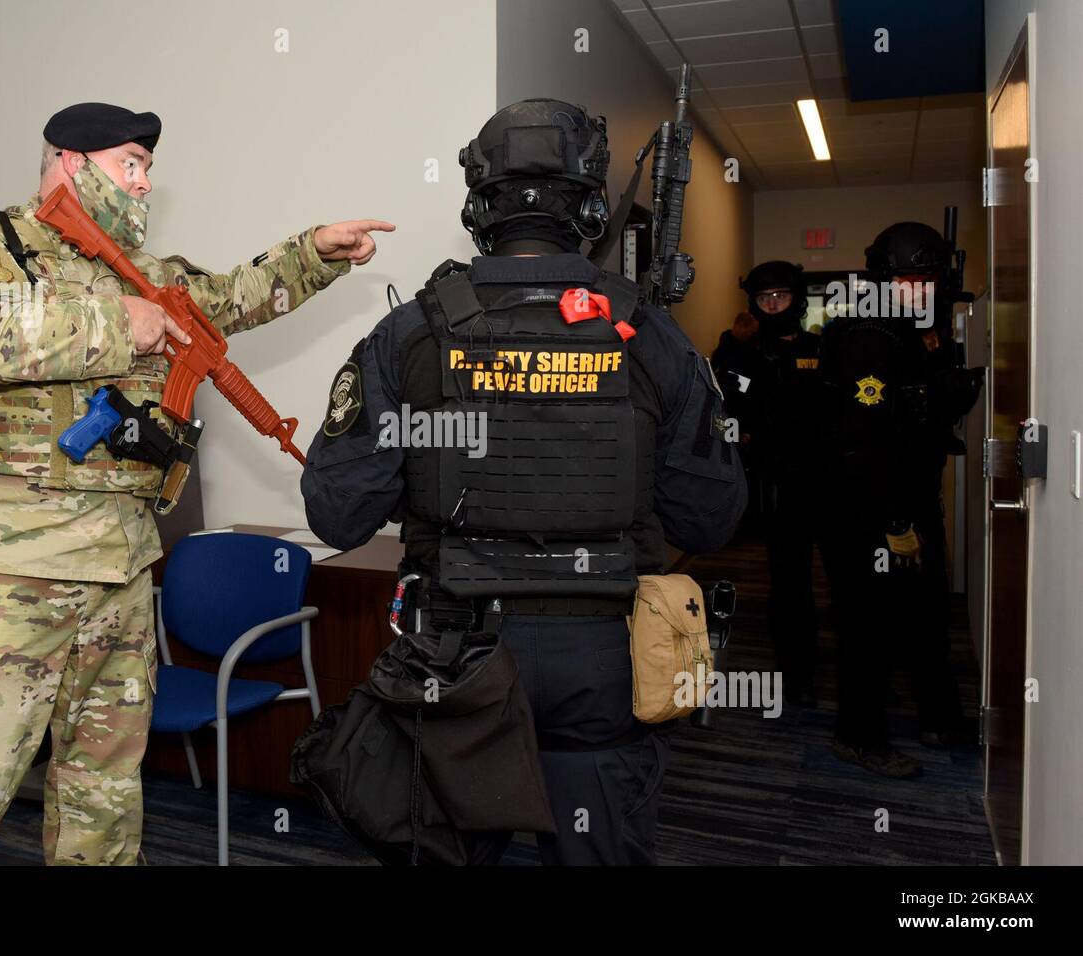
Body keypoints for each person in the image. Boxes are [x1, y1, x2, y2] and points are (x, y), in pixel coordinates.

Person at [0, 102, 393, 865]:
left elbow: (228, 298)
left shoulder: (142, 274)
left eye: (149, 170)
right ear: (73, 164)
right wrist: (125, 326)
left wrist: (314, 252)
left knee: (103, 797)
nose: (146, 185)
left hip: (118, 573)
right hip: (9, 575)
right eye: (132, 166)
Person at [300, 99, 746, 865]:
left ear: (478, 206)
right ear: (592, 206)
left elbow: (339, 513)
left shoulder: (410, 332)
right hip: (605, 659)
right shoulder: (651, 334)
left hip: (456, 657)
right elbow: (709, 517)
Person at [817, 221, 981, 778]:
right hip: (866, 507)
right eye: (911, 278)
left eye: (930, 277)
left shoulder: (916, 330)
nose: (923, 288)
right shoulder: (865, 333)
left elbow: (917, 414)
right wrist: (893, 520)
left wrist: (943, 392)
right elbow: (868, 434)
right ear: (884, 279)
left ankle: (941, 718)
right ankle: (858, 736)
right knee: (869, 627)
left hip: (908, 497)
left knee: (928, 616)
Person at [728, 262, 824, 707]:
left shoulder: (819, 349)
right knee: (789, 583)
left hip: (825, 479)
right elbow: (727, 403)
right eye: (764, 298)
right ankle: (796, 671)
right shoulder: (741, 351)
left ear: (796, 299)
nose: (772, 305)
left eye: (781, 297)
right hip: (775, 482)